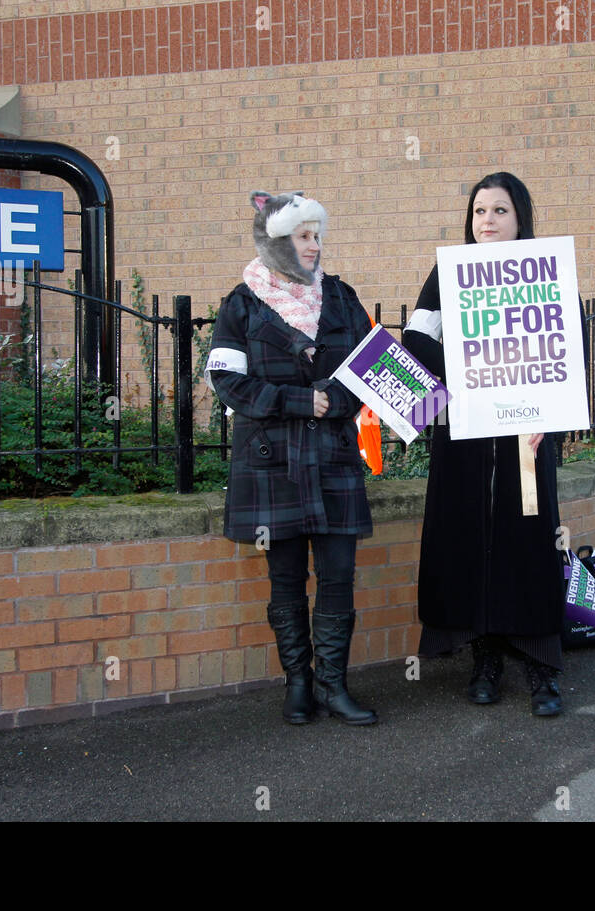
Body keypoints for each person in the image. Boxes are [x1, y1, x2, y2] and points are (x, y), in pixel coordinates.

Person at [205, 191, 377, 726]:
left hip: (334, 459)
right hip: (269, 461)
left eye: (317, 236)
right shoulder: (242, 303)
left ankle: (332, 685)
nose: (314, 246)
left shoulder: (343, 298)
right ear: (277, 241)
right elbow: (226, 379)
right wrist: (300, 399)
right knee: (285, 578)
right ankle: (298, 684)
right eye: (304, 237)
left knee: (338, 574)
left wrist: (336, 400)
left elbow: (369, 371)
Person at [403, 172, 566, 717]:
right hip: (464, 435)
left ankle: (542, 667)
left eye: (500, 210)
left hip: (526, 438)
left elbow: (563, 354)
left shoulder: (544, 271)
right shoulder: (446, 273)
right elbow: (419, 342)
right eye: (479, 211)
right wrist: (464, 384)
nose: (488, 221)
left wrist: (551, 418)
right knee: (469, 541)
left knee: (529, 543)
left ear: (520, 218)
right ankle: (485, 659)